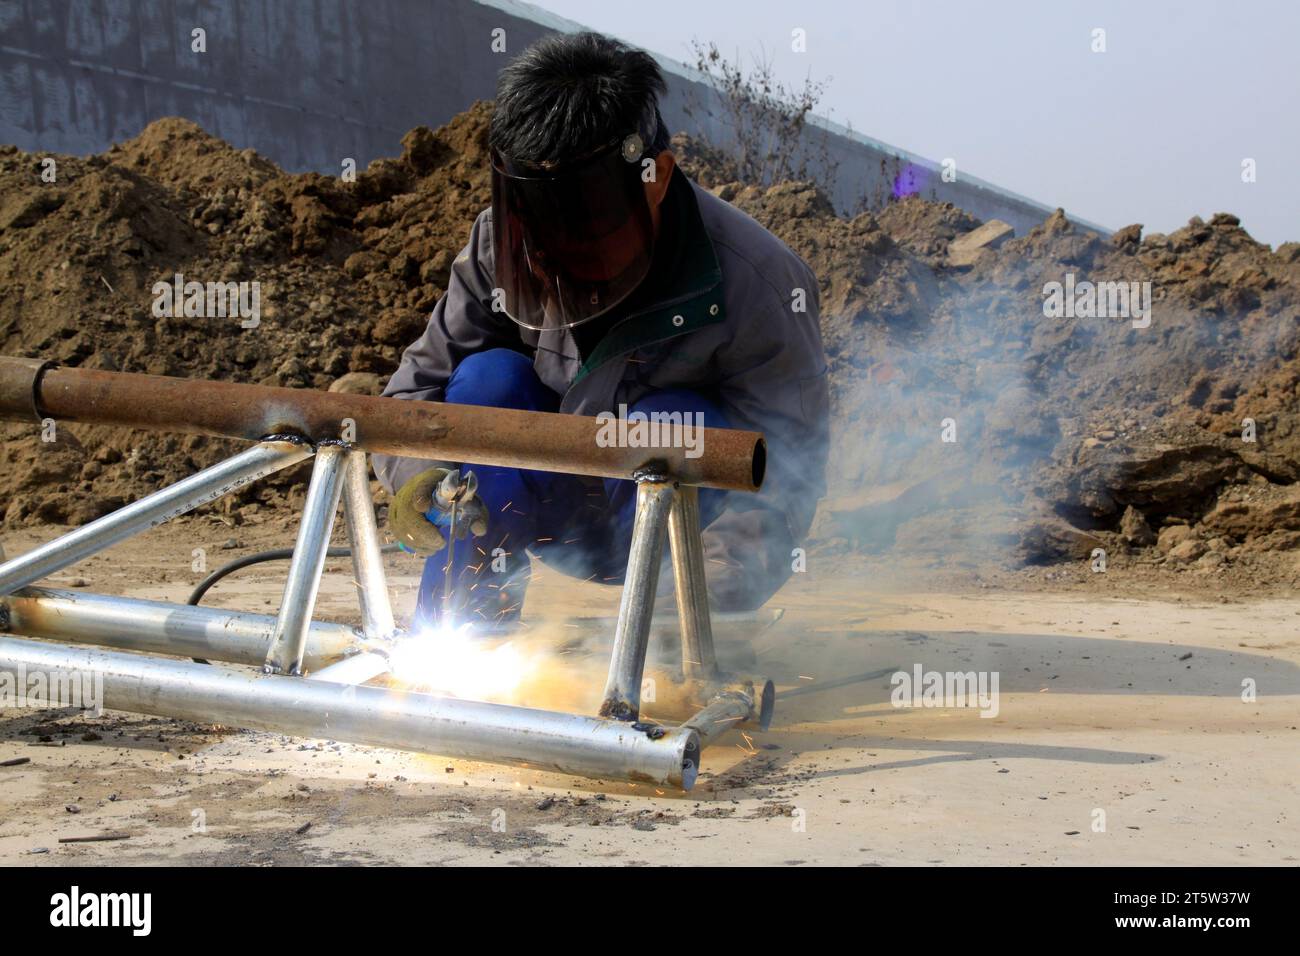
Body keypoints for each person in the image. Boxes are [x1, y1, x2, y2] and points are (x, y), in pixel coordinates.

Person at [372, 31, 828, 629]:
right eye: (538, 233)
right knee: (488, 381)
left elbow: (790, 471)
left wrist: (712, 586)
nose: (553, 260)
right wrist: (420, 482)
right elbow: (412, 397)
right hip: (529, 510)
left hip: (667, 536)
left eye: (581, 230)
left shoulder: (759, 284)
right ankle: (462, 627)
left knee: (677, 421)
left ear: (656, 178)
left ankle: (668, 625)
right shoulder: (497, 244)